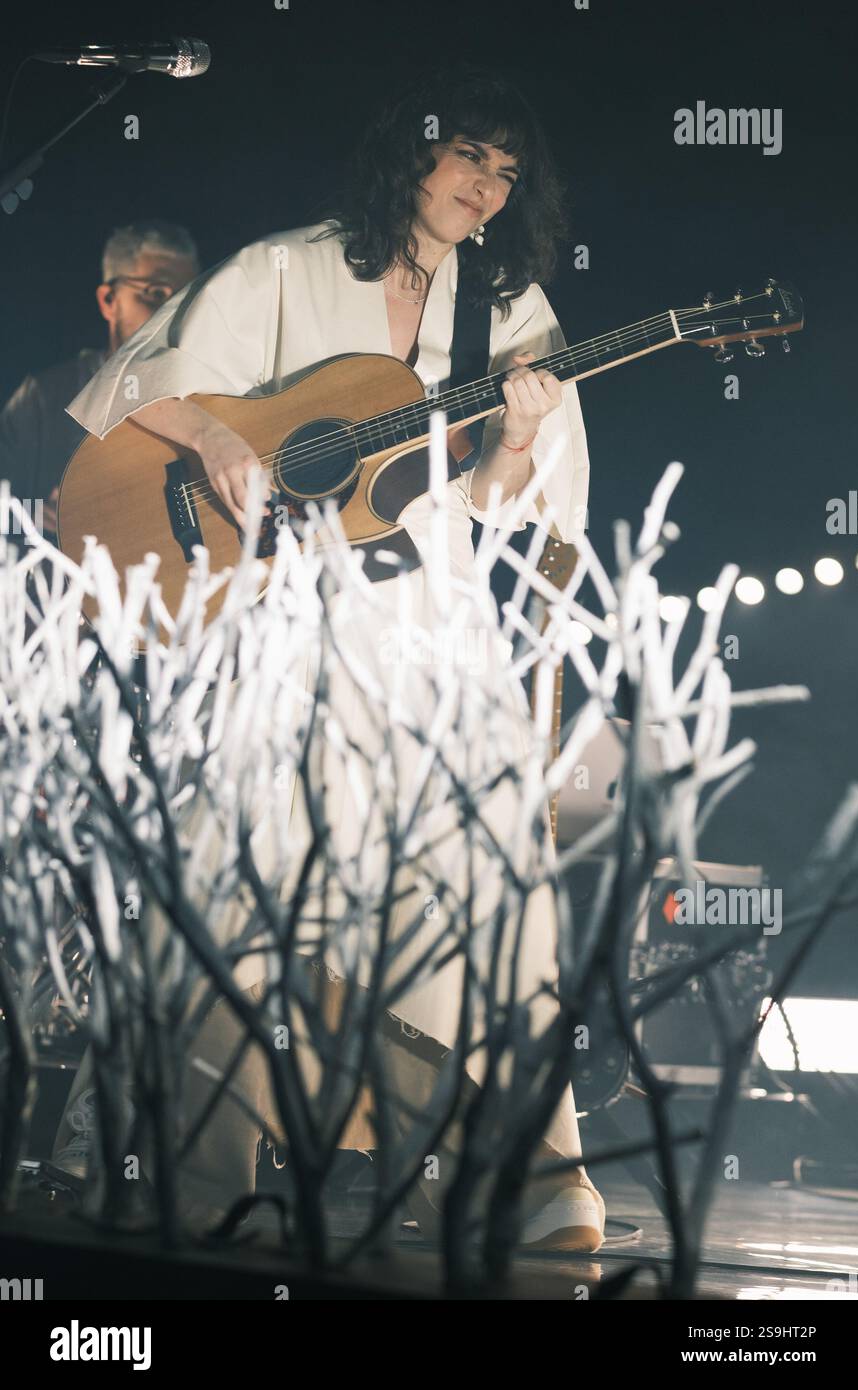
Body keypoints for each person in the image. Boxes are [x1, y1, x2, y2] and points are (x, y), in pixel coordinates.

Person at [51, 66, 605, 1253]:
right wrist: (218, 441)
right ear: (409, 149)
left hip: (426, 632)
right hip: (274, 620)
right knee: (228, 882)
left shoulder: (508, 308)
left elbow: (505, 511)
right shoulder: (289, 266)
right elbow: (139, 382)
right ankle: (185, 1179)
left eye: (508, 173)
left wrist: (512, 440)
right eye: (470, 156)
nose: (486, 188)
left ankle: (523, 1177)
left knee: (480, 892)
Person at [0, 221, 199, 539]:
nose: (172, 315)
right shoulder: (43, 398)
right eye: (156, 295)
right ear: (109, 300)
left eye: (185, 299)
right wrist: (35, 514)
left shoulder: (206, 390)